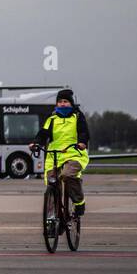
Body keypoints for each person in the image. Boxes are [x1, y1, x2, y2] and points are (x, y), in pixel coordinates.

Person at [30, 88, 90, 219]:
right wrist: (36, 143)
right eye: (60, 102)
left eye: (66, 102)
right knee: (52, 184)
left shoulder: (77, 116)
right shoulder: (52, 119)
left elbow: (83, 132)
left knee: (67, 176)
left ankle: (79, 202)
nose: (62, 104)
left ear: (71, 103)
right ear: (56, 104)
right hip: (54, 154)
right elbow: (43, 133)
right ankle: (54, 218)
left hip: (74, 153)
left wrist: (82, 142)